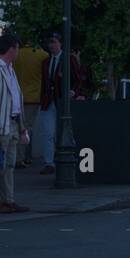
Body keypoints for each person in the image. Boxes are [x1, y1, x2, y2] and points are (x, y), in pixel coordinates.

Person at [0, 33, 30, 214]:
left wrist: (22, 126)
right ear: (11, 49)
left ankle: (8, 199)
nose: (18, 52)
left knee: (9, 164)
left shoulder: (10, 69)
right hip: (0, 125)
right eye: (17, 48)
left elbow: (17, 98)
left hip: (13, 122)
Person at [37, 32, 84, 174]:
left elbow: (78, 79)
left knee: (63, 131)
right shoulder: (46, 62)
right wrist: (42, 98)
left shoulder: (68, 59)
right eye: (50, 42)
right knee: (47, 132)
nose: (52, 45)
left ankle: (64, 159)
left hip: (62, 100)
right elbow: (44, 82)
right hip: (48, 100)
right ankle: (49, 162)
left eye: (54, 42)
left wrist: (74, 92)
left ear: (60, 43)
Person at [14, 38, 48, 169]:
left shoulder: (18, 54)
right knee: (28, 127)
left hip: (18, 96)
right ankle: (22, 157)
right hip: (33, 96)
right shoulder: (42, 55)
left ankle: (22, 156)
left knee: (19, 126)